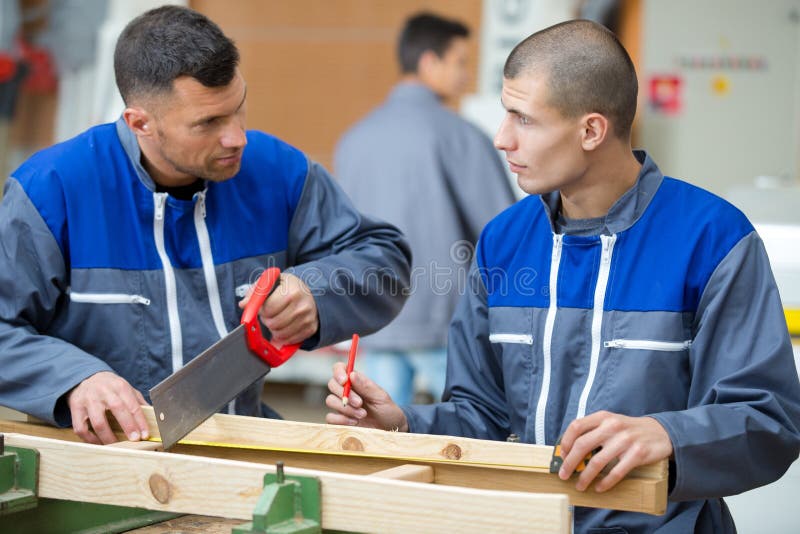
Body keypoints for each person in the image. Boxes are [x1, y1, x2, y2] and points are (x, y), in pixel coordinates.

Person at [326, 19, 800, 532]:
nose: (502, 139)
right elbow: (482, 416)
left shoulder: (713, 240)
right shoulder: (503, 241)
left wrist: (668, 435)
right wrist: (403, 423)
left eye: (523, 119)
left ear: (591, 130)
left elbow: (770, 420)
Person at [0, 5, 411, 447]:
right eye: (209, 123)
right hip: (98, 466)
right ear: (140, 123)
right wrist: (73, 379)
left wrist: (317, 290)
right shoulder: (52, 191)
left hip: (237, 454)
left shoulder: (279, 173)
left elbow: (385, 260)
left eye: (238, 108)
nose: (237, 137)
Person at [334, 13, 514, 406]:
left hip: (375, 315)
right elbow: (505, 232)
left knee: (379, 429)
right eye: (460, 62)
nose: (465, 75)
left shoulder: (353, 140)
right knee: (473, 425)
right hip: (443, 319)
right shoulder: (461, 136)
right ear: (429, 62)